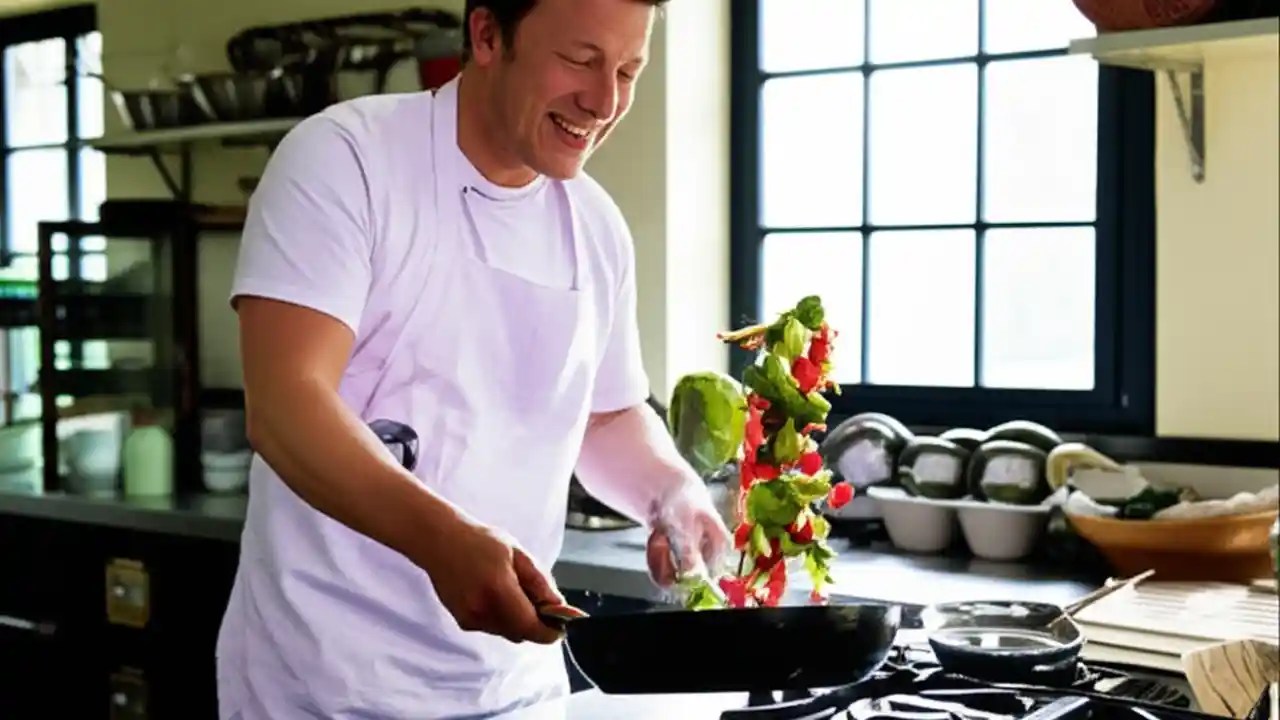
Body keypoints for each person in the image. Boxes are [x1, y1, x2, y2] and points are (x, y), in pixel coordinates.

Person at [213, 0, 732, 717]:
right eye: (579, 61)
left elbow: (606, 416)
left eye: (628, 71)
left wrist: (671, 492)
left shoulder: (595, 225)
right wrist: (445, 542)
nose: (605, 100)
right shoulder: (347, 159)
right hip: (326, 688)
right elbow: (285, 405)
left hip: (519, 688)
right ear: (487, 34)